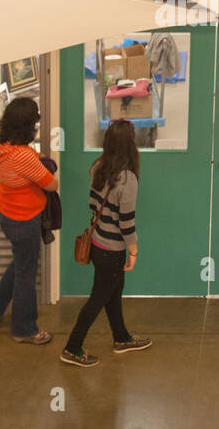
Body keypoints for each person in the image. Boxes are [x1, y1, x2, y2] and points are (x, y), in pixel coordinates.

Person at [60, 119, 151, 367]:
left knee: (113, 293)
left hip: (99, 243)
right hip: (113, 249)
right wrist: (134, 251)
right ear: (130, 144)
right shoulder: (128, 178)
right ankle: (72, 348)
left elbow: (94, 206)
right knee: (98, 299)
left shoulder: (97, 166)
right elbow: (126, 222)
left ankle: (121, 338)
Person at [0, 97, 58, 344]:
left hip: (8, 215)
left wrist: (35, 158)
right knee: (26, 274)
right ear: (28, 127)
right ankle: (24, 329)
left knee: (20, 263)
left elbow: (21, 163)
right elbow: (52, 184)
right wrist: (39, 162)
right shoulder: (23, 157)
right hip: (25, 220)